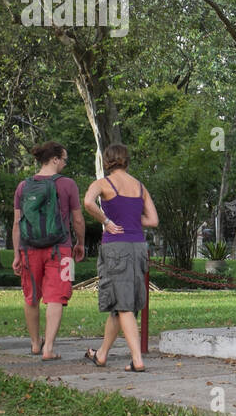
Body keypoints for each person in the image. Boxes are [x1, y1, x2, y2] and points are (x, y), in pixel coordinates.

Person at [81, 143, 158, 371]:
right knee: (122, 304)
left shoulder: (103, 184)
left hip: (116, 248)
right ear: (126, 160)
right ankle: (102, 354)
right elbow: (153, 220)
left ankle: (137, 360)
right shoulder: (140, 187)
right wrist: (132, 221)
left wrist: (106, 221)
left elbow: (87, 202)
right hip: (138, 247)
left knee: (123, 306)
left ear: (107, 161)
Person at [13, 142, 85, 360]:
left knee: (31, 296)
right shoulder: (68, 185)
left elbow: (17, 223)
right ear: (54, 159)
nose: (64, 163)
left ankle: (35, 344)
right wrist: (80, 243)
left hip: (28, 249)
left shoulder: (22, 187)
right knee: (57, 296)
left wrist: (17, 254)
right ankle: (49, 348)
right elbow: (78, 219)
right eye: (64, 159)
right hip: (61, 249)